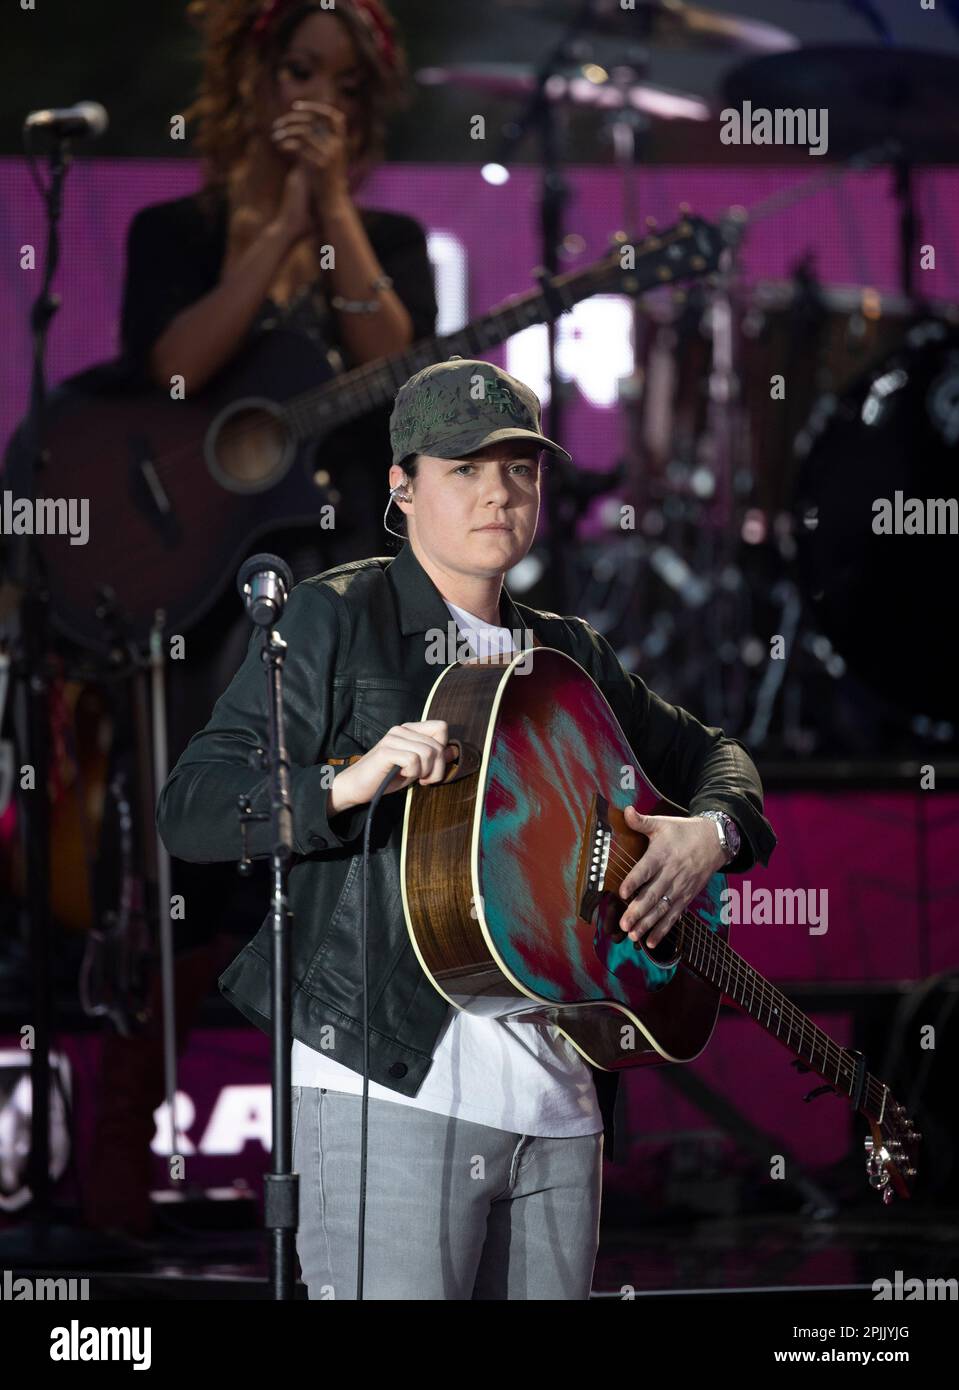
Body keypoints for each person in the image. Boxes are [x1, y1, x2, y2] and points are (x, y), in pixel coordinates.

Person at [156, 357, 777, 1299]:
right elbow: (192, 805)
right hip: (387, 1082)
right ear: (401, 489)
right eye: (465, 469)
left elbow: (717, 759)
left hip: (561, 1100)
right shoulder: (335, 617)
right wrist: (342, 782)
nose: (499, 493)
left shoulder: (567, 653)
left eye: (519, 469)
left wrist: (709, 836)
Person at [85, 0, 436, 1239]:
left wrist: (332, 215)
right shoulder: (170, 230)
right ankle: (117, 1179)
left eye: (342, 82)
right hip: (203, 585)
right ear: (251, 73)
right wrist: (275, 220)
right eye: (299, 69)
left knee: (352, 854)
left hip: (347, 581)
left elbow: (400, 378)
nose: (316, 96)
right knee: (202, 857)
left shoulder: (388, 233)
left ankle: (351, 1177)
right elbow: (176, 370)